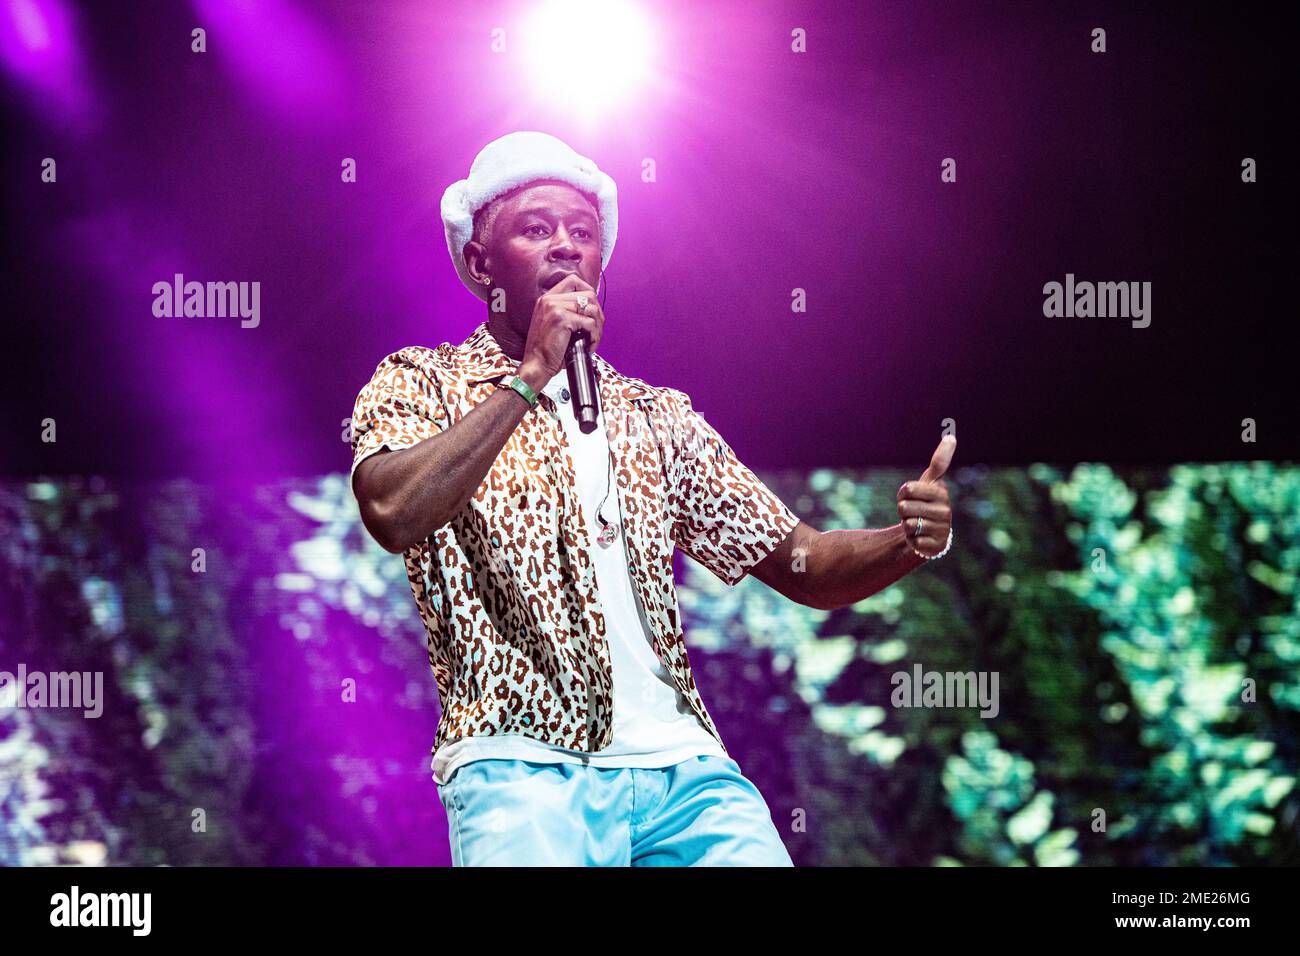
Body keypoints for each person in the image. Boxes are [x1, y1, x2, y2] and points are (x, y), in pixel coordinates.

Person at [348, 131, 956, 866]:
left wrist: (907, 539)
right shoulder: (421, 382)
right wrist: (531, 374)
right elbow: (393, 512)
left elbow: (805, 564)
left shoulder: (656, 415)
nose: (566, 247)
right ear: (482, 265)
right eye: (537, 230)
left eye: (584, 233)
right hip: (521, 769)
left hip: (685, 774)